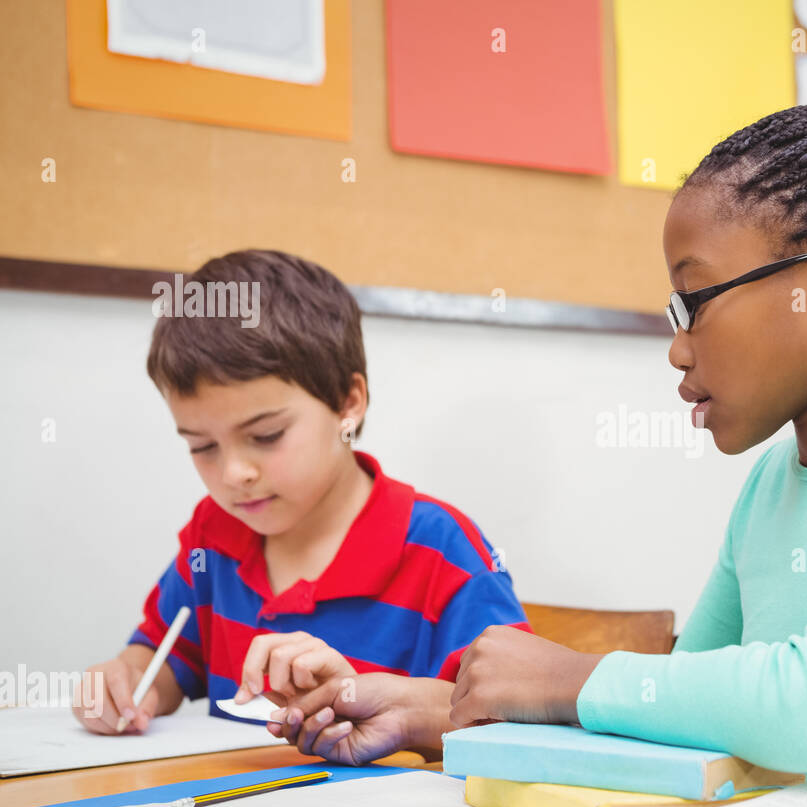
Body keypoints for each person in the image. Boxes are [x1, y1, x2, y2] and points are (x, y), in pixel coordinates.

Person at [266, 104, 807, 807]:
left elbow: (806, 710)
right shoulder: (775, 481)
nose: (676, 348)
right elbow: (685, 702)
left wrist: (565, 675)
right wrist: (434, 708)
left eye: (694, 302)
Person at [71, 250, 530, 738]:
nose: (234, 473)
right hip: (224, 806)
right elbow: (166, 656)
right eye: (202, 446)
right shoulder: (215, 534)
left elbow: (510, 711)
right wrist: (128, 678)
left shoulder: (441, 549)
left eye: (266, 436)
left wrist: (371, 703)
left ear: (347, 403)